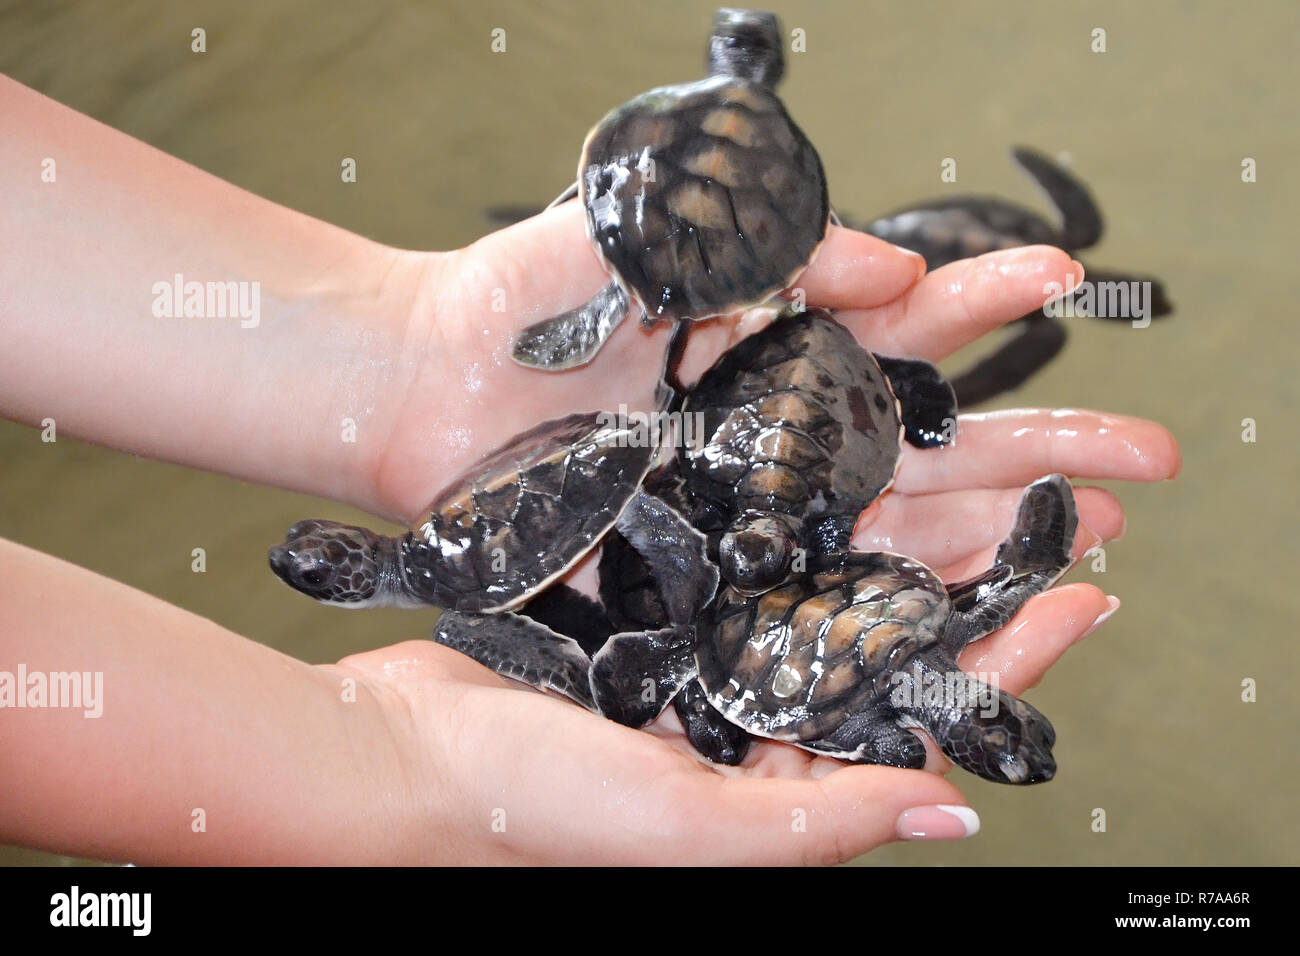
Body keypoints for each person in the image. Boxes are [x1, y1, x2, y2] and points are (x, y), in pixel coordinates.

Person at [0, 75, 1179, 865]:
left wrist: (406, 350)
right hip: (693, 514)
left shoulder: (706, 508)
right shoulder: (777, 553)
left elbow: (682, 536)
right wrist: (394, 754)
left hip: (700, 504)